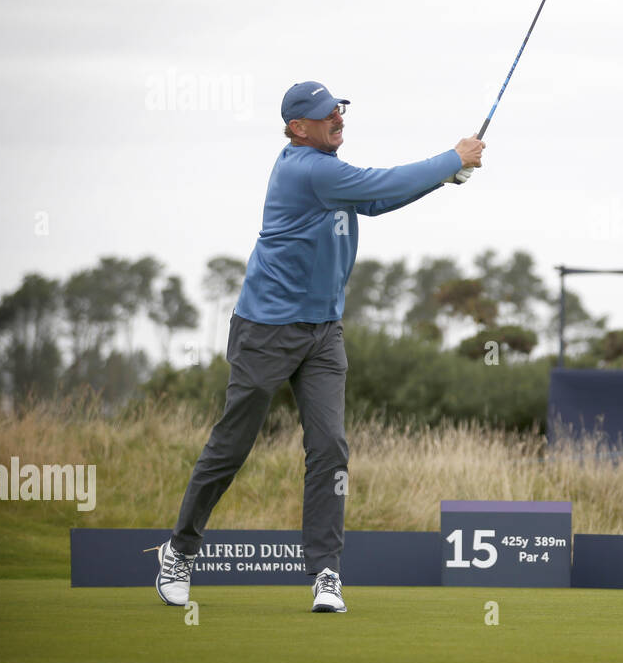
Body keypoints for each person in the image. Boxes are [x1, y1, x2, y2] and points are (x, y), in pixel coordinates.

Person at [155, 81, 485, 613]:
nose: (337, 119)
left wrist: (446, 176)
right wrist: (453, 157)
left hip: (323, 332)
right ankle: (179, 549)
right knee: (233, 445)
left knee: (330, 448)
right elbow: (381, 181)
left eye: (339, 110)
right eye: (324, 115)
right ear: (296, 128)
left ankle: (326, 574)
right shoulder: (308, 170)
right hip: (266, 330)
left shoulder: (329, 173)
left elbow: (377, 200)